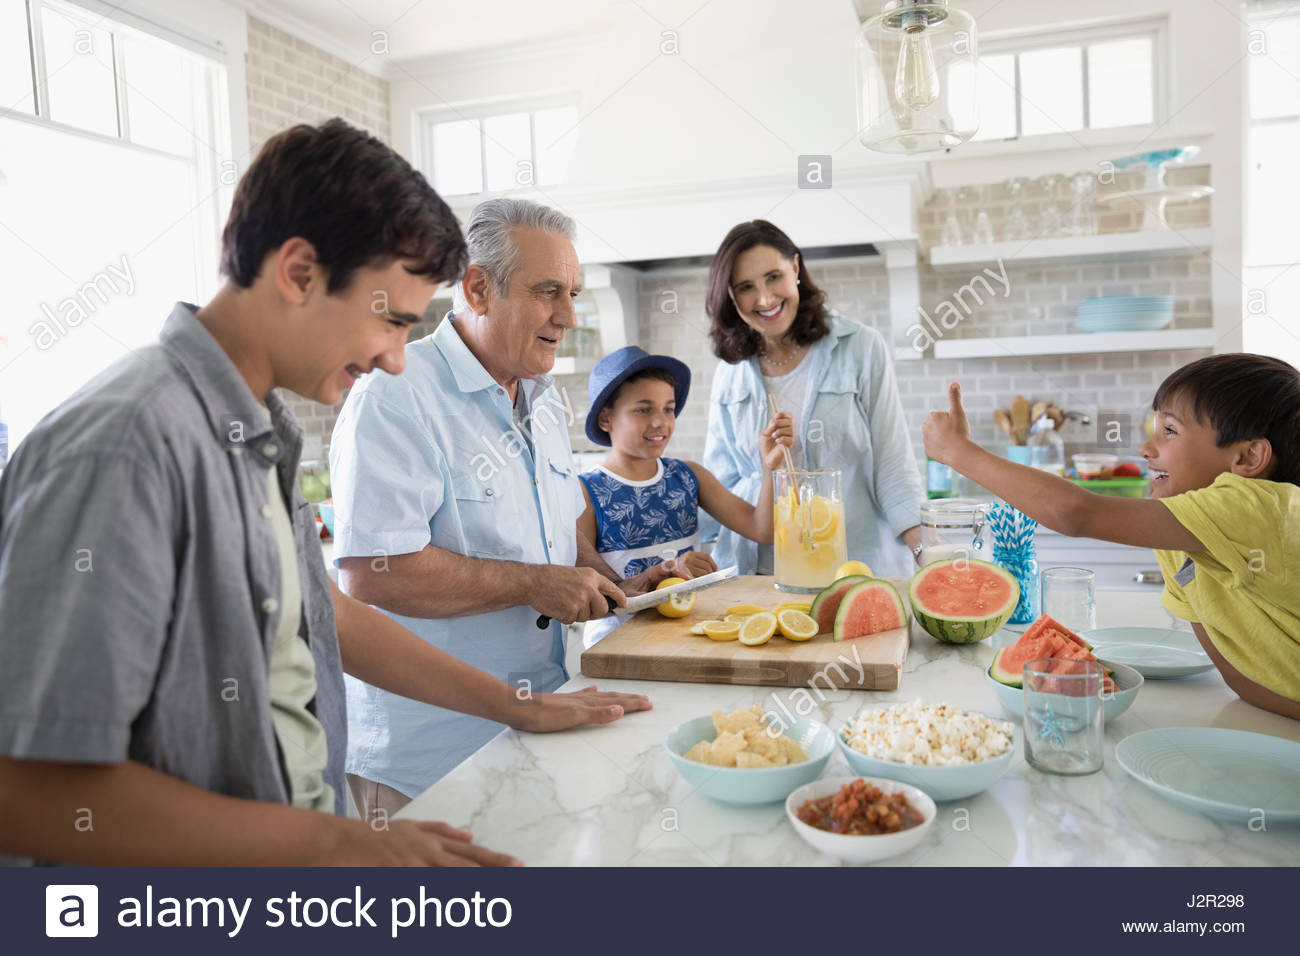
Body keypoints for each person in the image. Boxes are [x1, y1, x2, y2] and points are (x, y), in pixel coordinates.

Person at [0, 119, 648, 867]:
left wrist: (515, 707)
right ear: (299, 273)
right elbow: (28, 791)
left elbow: (326, 614)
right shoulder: (123, 447)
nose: (397, 360)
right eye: (394, 322)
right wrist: (332, 842)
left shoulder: (254, 431)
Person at [330, 199, 665, 817]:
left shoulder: (539, 395)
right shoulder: (396, 396)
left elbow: (556, 530)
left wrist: (620, 585)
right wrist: (534, 585)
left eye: (572, 291)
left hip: (542, 717)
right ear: (479, 289)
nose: (567, 314)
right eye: (547, 292)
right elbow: (373, 574)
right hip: (428, 755)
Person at [923, 353, 1300, 721]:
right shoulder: (1179, 536)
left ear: (1248, 459)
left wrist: (960, 453)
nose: (1145, 448)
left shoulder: (1264, 508)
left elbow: (1075, 512)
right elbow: (1240, 677)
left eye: (1170, 431)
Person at [701, 220, 925, 578]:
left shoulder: (861, 348)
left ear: (795, 267)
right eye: (746, 287)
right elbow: (720, 488)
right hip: (759, 576)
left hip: (853, 571)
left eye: (774, 277)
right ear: (730, 295)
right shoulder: (730, 371)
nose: (764, 299)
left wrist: (927, 555)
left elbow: (893, 469)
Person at [578, 345, 793, 583]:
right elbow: (591, 587)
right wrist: (670, 569)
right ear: (606, 419)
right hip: (623, 623)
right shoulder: (585, 493)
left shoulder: (690, 476)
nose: (661, 422)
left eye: (668, 409)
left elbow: (762, 530)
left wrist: (770, 467)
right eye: (643, 410)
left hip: (687, 621)